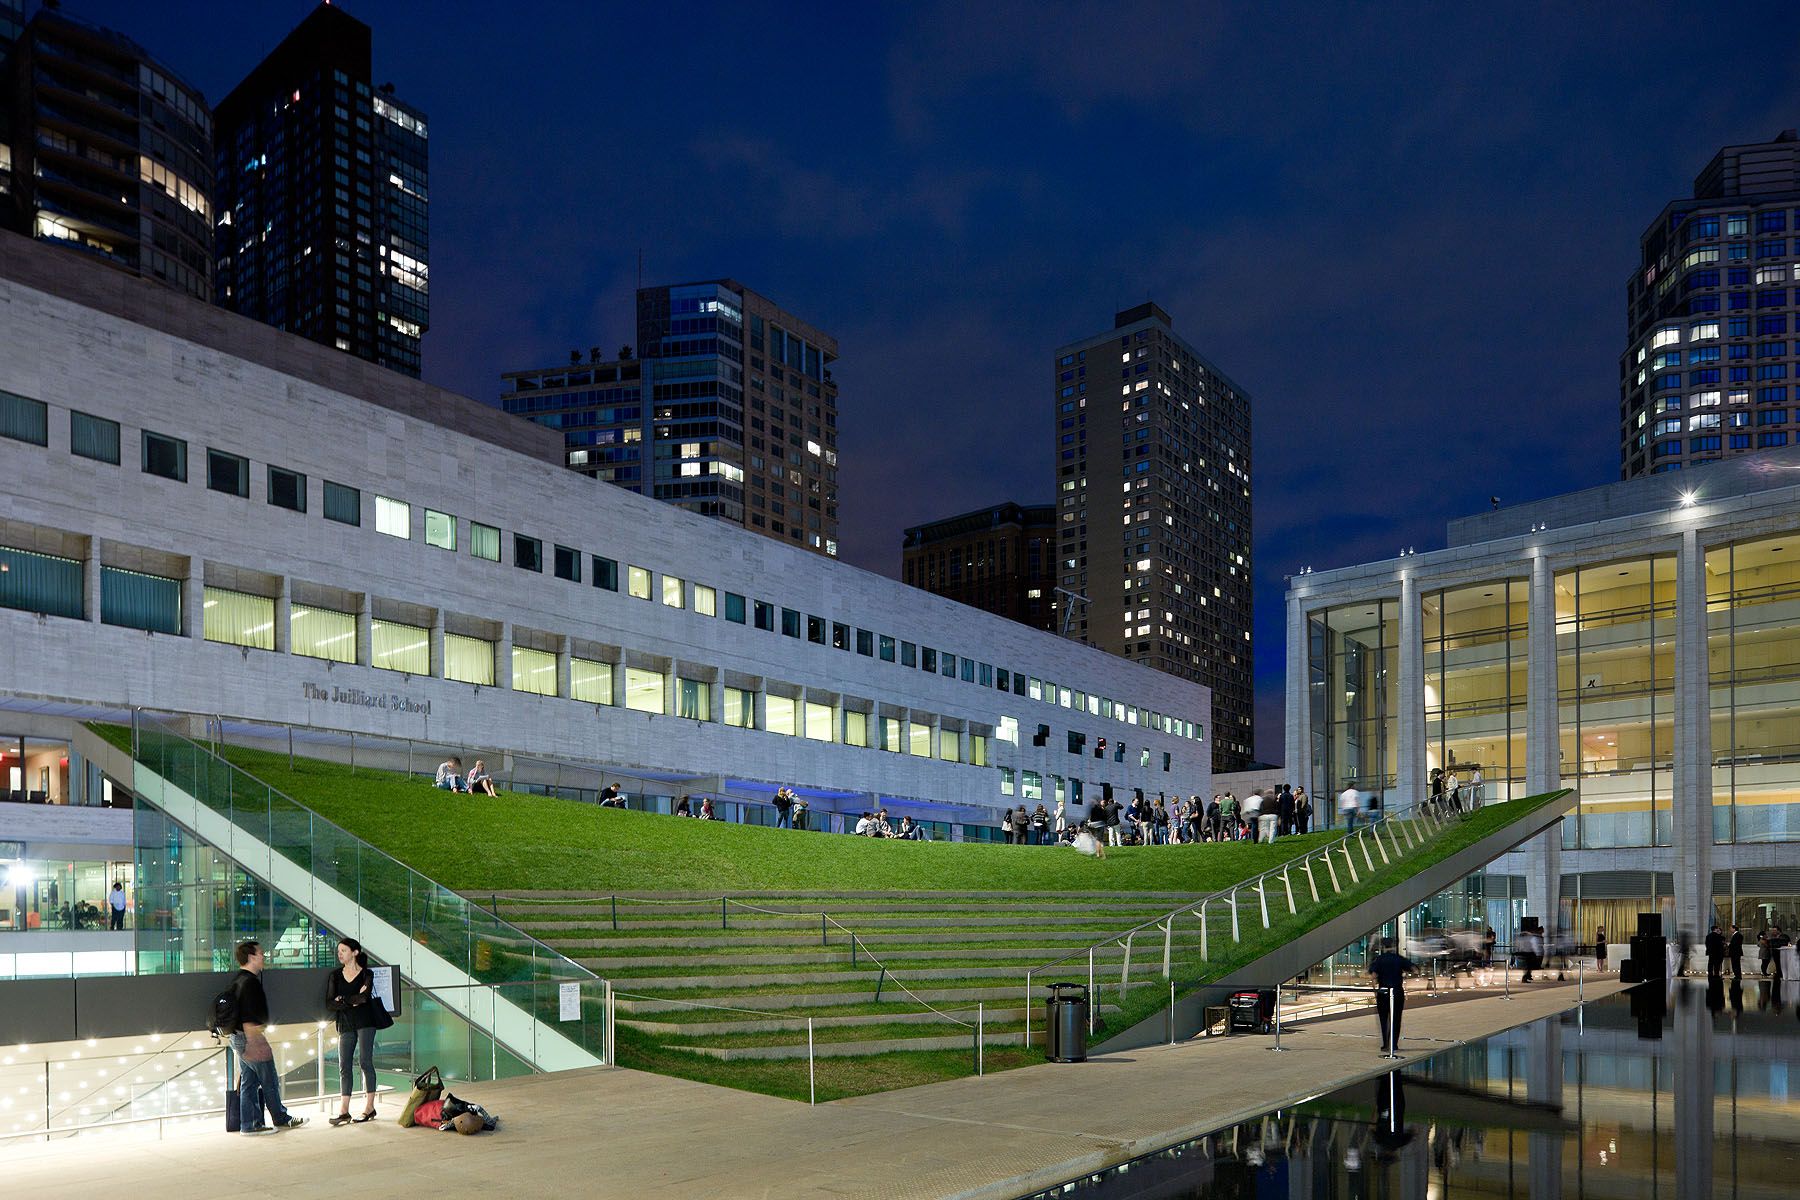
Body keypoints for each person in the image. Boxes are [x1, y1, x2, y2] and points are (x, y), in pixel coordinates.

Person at [228, 940, 305, 1134]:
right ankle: (280, 1118)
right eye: (261, 953)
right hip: (250, 1036)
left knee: (249, 1082)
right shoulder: (250, 983)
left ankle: (250, 1124)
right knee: (269, 1079)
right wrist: (255, 1044)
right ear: (252, 957)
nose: (264, 956)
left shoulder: (238, 980)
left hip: (238, 1037)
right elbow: (248, 1016)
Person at [325, 936, 381, 1126]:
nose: (339, 954)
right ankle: (344, 1111)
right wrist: (351, 1000)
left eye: (343, 951)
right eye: (339, 951)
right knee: (344, 1066)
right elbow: (330, 1003)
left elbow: (364, 999)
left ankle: (369, 1107)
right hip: (346, 1023)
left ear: (355, 953)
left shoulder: (367, 973)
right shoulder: (335, 975)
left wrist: (343, 999)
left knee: (365, 1062)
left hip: (366, 1021)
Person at [1369, 940, 1414, 1056]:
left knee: (1383, 1019)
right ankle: (1394, 1044)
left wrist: (1376, 992)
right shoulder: (1398, 958)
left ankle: (1385, 1044)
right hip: (1397, 991)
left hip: (1383, 992)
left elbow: (1373, 977)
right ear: (1394, 946)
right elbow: (1414, 969)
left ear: (1383, 947)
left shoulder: (1379, 959)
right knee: (1396, 1018)